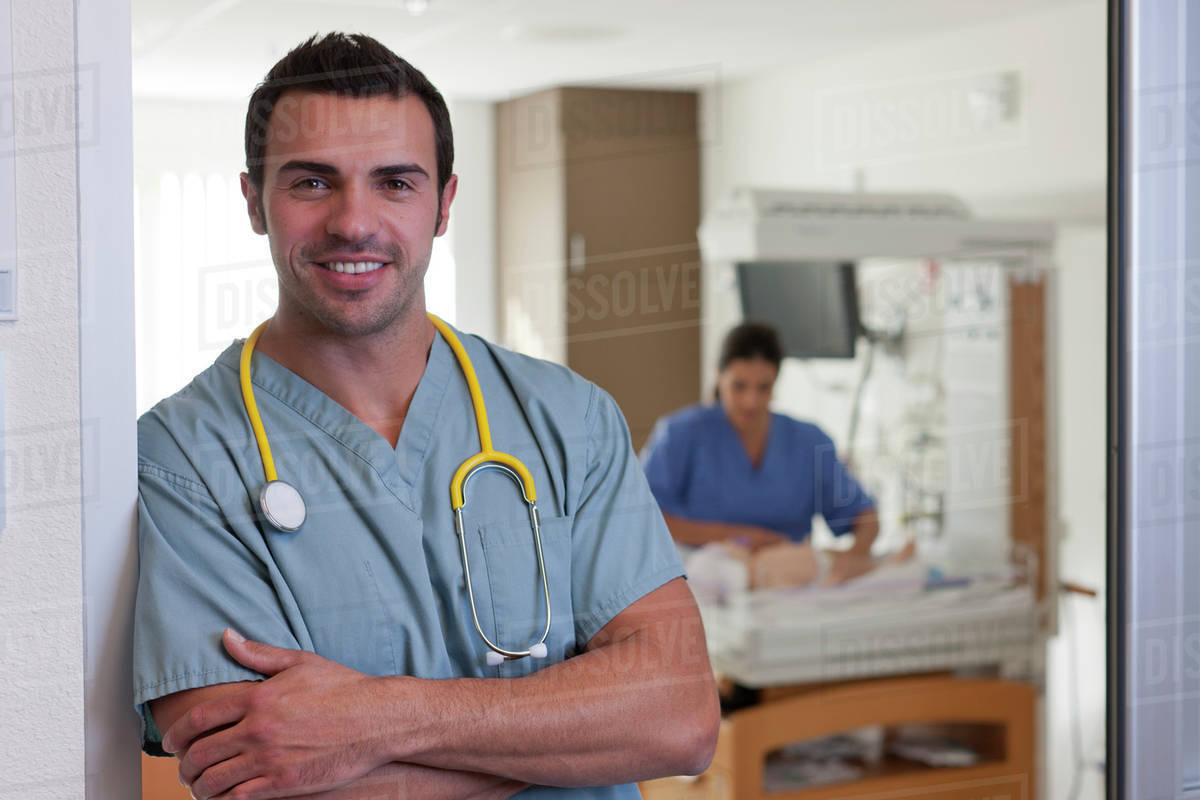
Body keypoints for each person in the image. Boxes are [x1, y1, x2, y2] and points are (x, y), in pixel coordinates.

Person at [133, 33, 718, 800]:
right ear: (253, 201)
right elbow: (261, 778)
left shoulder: (566, 417)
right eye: (312, 183)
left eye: (395, 183)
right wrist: (568, 731)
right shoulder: (179, 457)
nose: (354, 222)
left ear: (443, 204)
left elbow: (677, 718)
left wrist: (377, 720)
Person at [640, 321, 880, 585]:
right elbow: (644, 517)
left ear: (776, 380)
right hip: (705, 583)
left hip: (786, 587)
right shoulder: (681, 435)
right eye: (739, 386)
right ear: (719, 375)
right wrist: (735, 537)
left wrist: (854, 557)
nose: (751, 401)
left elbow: (864, 515)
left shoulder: (808, 441)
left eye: (763, 388)